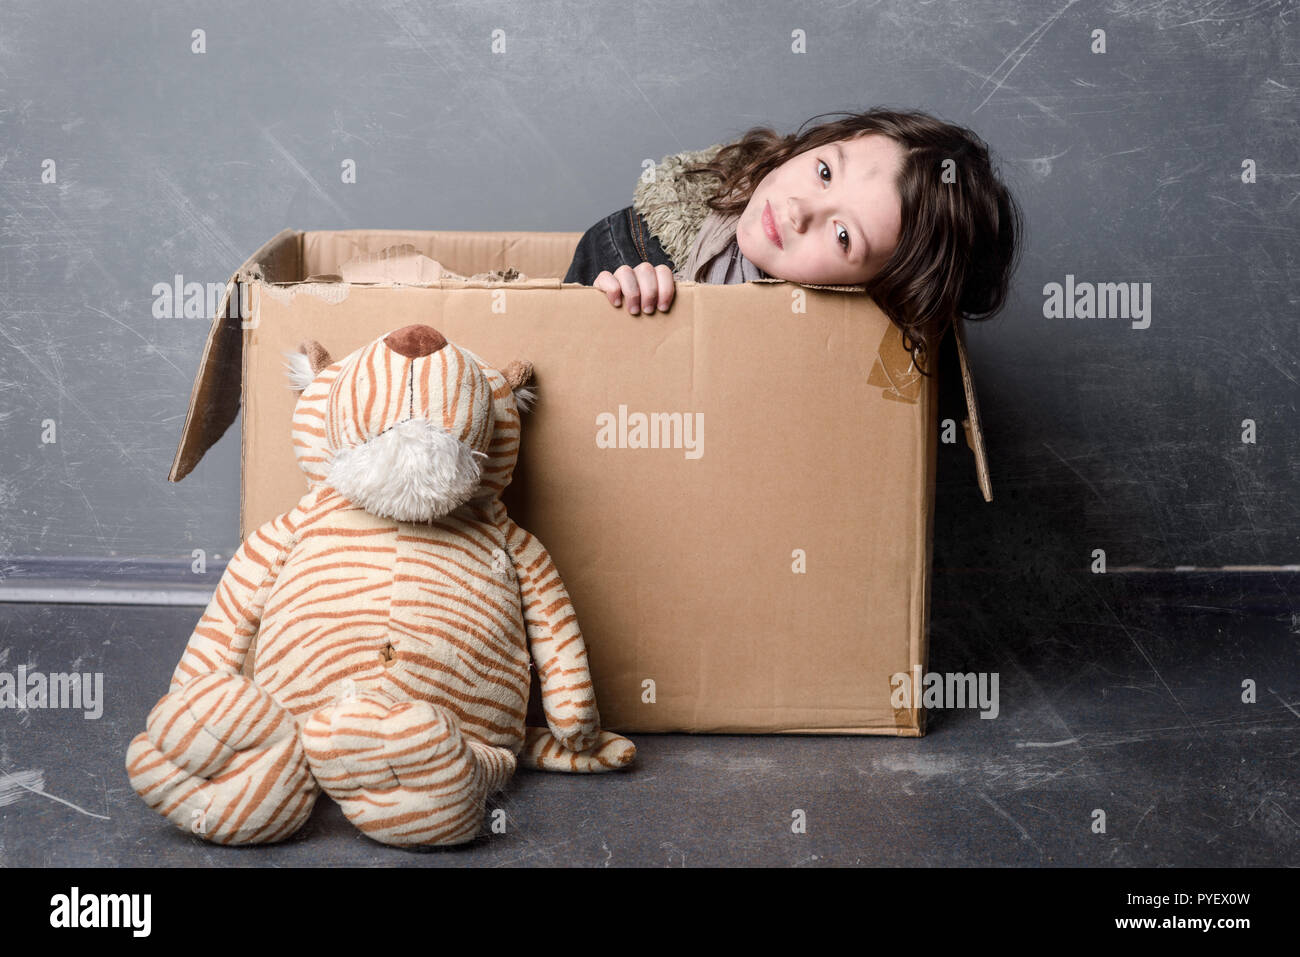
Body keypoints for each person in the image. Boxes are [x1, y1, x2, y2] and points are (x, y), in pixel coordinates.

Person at [563, 107, 1023, 375]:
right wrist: (613, 324)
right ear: (820, 142)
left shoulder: (840, 368)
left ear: (874, 292)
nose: (799, 210)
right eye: (824, 172)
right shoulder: (632, 242)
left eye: (843, 236)